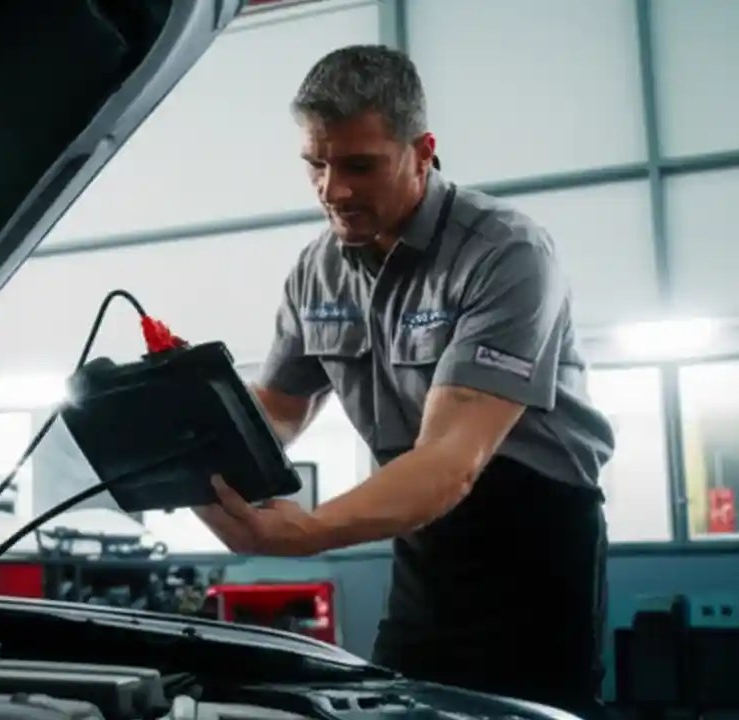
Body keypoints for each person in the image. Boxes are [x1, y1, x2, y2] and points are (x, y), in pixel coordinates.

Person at [193, 45, 617, 716]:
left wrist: (304, 531)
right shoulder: (317, 270)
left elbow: (452, 460)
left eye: (360, 166)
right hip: (418, 535)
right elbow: (277, 409)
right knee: (403, 705)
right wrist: (201, 444)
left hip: (533, 541)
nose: (334, 191)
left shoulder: (505, 253)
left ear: (422, 152)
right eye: (316, 165)